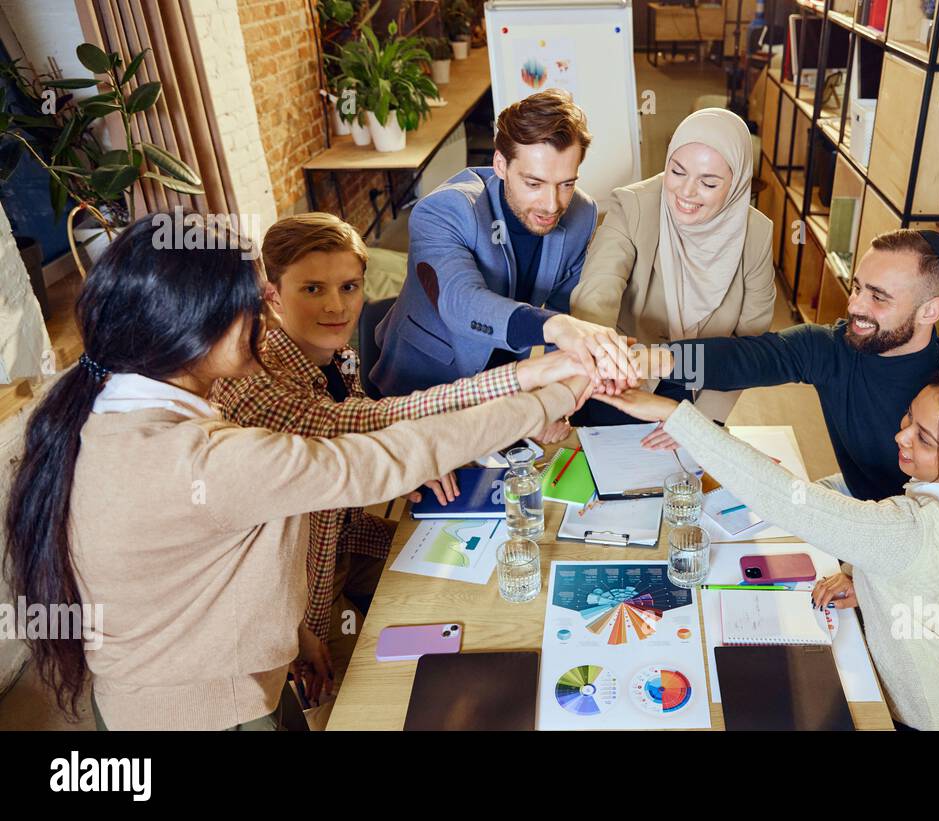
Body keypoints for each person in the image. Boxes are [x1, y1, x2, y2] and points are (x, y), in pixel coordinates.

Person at [2, 215, 589, 730]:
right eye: (253, 305)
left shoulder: (111, 413)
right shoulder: (204, 459)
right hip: (206, 711)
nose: (265, 318)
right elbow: (375, 456)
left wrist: (295, 633)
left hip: (214, 682)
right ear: (198, 324)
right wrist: (539, 399)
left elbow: (222, 566)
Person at [208, 213, 585, 703]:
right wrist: (523, 388)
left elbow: (365, 441)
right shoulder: (256, 379)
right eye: (313, 290)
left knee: (473, 585)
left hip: (348, 539)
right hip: (293, 598)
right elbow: (354, 427)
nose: (336, 307)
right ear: (273, 295)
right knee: (369, 692)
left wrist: (409, 469)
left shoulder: (336, 355)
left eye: (349, 286)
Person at [594, 365, 939, 730]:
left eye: (923, 438)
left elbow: (795, 503)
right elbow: (933, 575)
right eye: (909, 418)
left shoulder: (920, 529)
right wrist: (868, 580)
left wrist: (675, 415)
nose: (900, 436)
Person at [643, 228, 939, 513]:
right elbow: (744, 358)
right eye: (857, 287)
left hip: (920, 535)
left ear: (930, 310)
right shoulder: (832, 347)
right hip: (858, 502)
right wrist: (656, 360)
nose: (855, 305)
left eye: (879, 297)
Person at [371, 88, 638, 442]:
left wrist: (552, 401)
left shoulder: (582, 213)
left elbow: (564, 308)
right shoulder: (445, 210)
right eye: (533, 183)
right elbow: (460, 302)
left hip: (506, 382)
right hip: (422, 391)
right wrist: (557, 326)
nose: (551, 204)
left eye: (566, 184)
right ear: (500, 165)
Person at [569, 107, 775, 424]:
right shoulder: (633, 206)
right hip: (621, 376)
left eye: (708, 183)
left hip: (700, 385)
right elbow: (596, 296)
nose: (686, 192)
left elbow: (751, 348)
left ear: (737, 185)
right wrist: (608, 364)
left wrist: (701, 423)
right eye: (677, 172)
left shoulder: (756, 235)